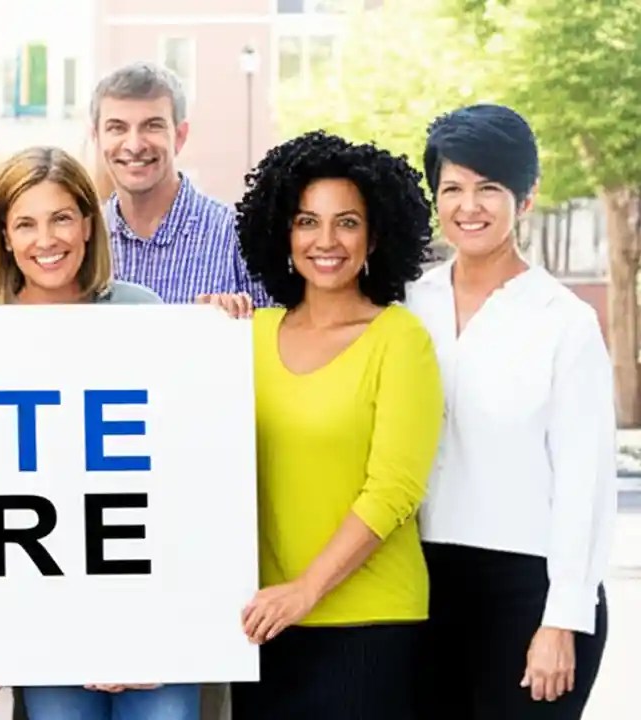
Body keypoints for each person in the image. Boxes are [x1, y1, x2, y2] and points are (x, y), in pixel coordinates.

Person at [202, 131, 443, 719]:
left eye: (347, 223)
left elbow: (394, 490)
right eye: (308, 222)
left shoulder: (398, 339)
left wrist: (305, 590)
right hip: (265, 623)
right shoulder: (247, 337)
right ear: (283, 233)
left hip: (369, 622)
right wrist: (200, 337)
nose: (326, 242)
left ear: (375, 235)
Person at [408, 104, 614, 719]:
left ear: (525, 199)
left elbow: (587, 482)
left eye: (488, 188)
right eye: (452, 189)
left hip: (530, 593)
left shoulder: (564, 322)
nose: (468, 206)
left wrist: (563, 620)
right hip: (423, 588)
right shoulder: (407, 303)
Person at [0, 145, 185, 719]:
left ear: (89, 225)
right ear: (4, 238)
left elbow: (184, 469)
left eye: (62, 217)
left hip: (150, 609)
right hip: (45, 617)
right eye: (26, 224)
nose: (47, 239)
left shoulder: (146, 316)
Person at [91, 62, 269, 306]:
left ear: (180, 136)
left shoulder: (239, 237)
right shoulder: (84, 239)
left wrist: (233, 322)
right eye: (117, 128)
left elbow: (278, 335)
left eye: (152, 126)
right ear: (96, 138)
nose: (134, 145)